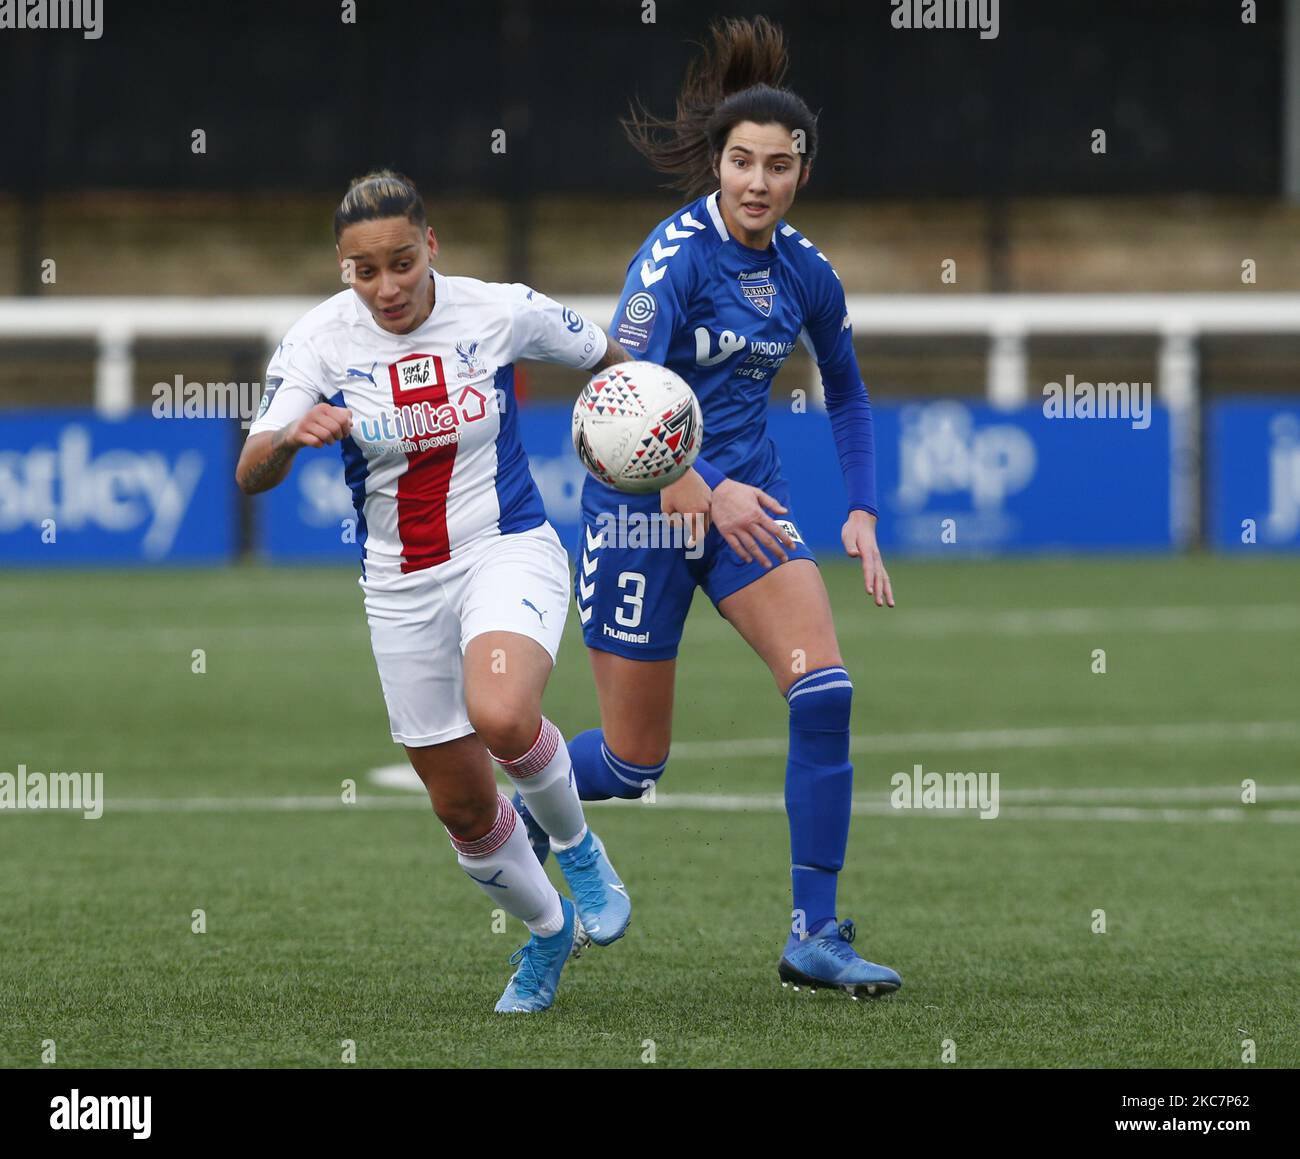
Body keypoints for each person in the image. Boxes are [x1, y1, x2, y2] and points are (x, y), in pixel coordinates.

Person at [516, 18, 902, 999]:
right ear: (718, 168)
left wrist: (860, 508)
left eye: (777, 165)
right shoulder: (673, 260)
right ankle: (521, 802)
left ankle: (813, 934)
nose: (757, 181)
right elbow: (616, 399)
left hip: (744, 512)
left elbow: (849, 390)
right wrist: (699, 489)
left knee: (825, 694)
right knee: (637, 763)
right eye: (741, 162)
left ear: (800, 174)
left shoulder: (806, 272)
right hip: (642, 513)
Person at [235, 170, 634, 1013]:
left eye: (402, 262)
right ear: (343, 268)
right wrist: (290, 441)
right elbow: (250, 470)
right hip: (400, 587)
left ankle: (580, 848)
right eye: (364, 270)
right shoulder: (318, 342)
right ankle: (549, 931)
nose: (386, 285)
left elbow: (611, 362)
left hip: (507, 547)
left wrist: (656, 450)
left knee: (502, 715)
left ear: (432, 248)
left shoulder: (498, 310)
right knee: (461, 807)